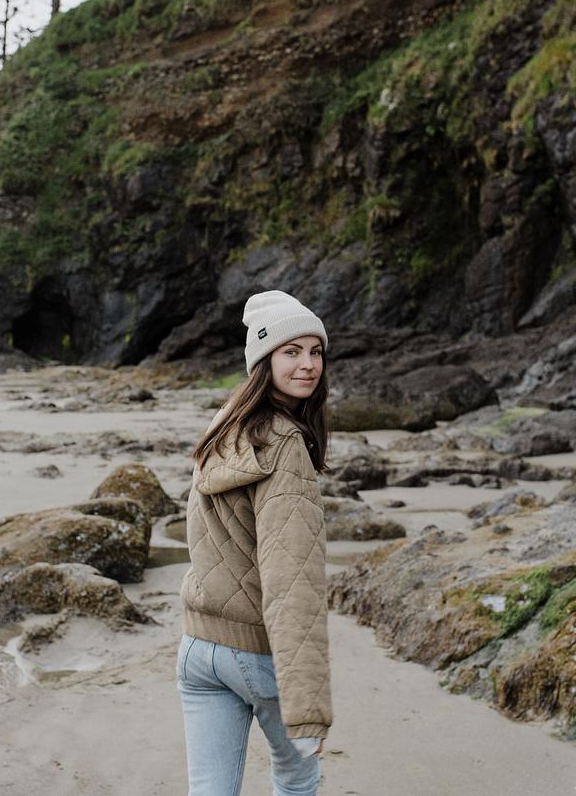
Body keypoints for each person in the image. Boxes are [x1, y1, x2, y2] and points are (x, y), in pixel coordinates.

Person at [176, 289, 333, 796]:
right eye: (292, 352)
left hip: (198, 647)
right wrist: (308, 711)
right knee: (297, 779)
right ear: (264, 360)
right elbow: (294, 584)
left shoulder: (224, 426)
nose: (308, 365)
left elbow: (203, 535)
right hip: (254, 651)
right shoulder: (285, 446)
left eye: (316, 351)